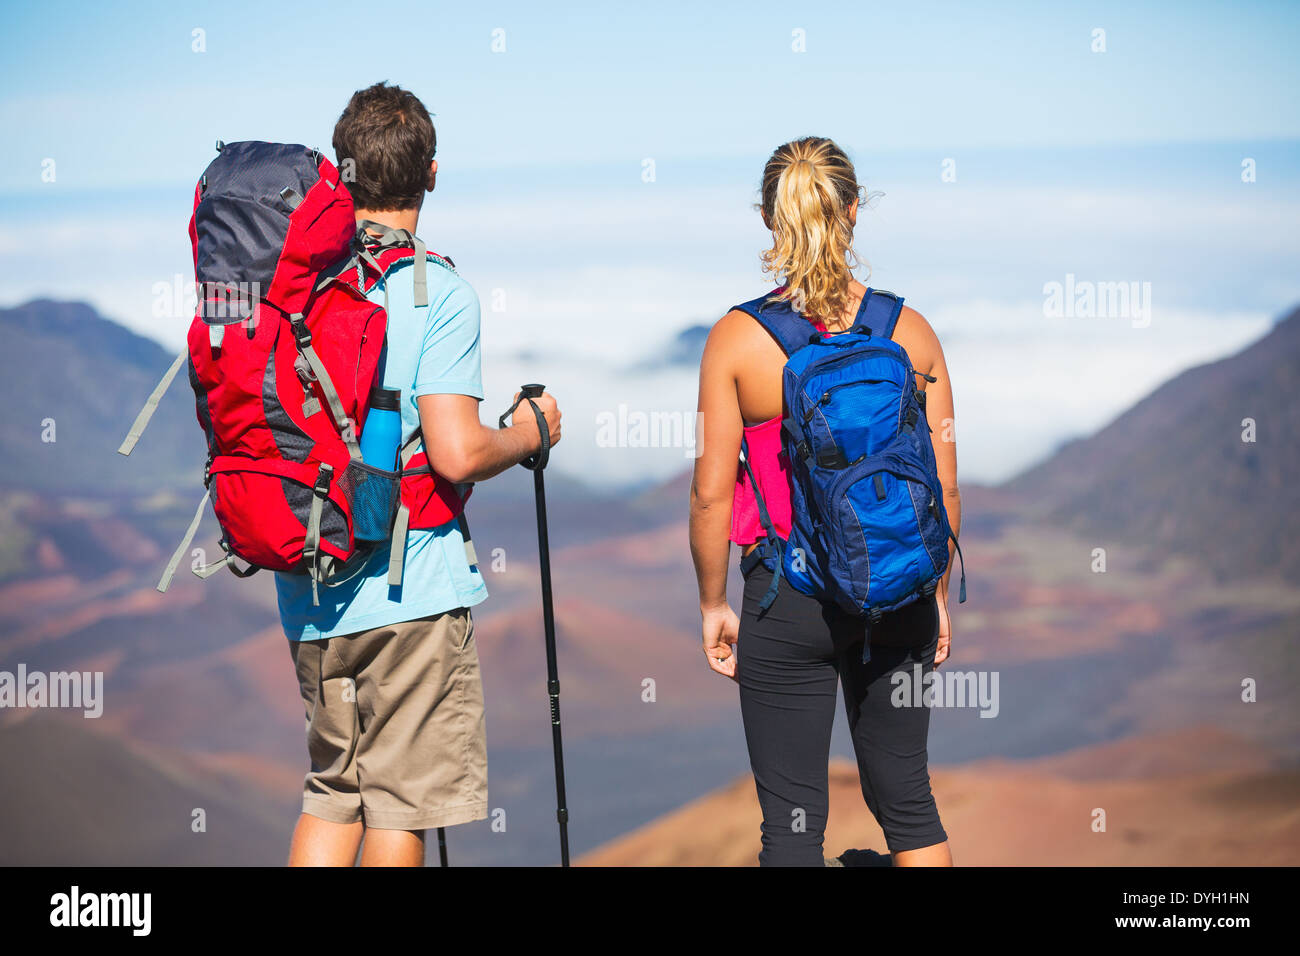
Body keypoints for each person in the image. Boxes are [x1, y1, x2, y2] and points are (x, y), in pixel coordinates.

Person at [278, 82, 561, 866]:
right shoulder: (439, 294)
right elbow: (456, 453)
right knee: (399, 808)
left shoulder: (298, 286)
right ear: (431, 174)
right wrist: (528, 433)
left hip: (309, 577)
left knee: (333, 793)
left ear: (344, 174)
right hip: (411, 587)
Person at [689, 136, 958, 866]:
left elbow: (712, 496)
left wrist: (715, 603)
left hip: (788, 597)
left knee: (793, 827)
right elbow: (943, 483)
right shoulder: (911, 332)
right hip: (893, 590)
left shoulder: (737, 342)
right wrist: (930, 590)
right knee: (909, 804)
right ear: (854, 212)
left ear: (770, 221)